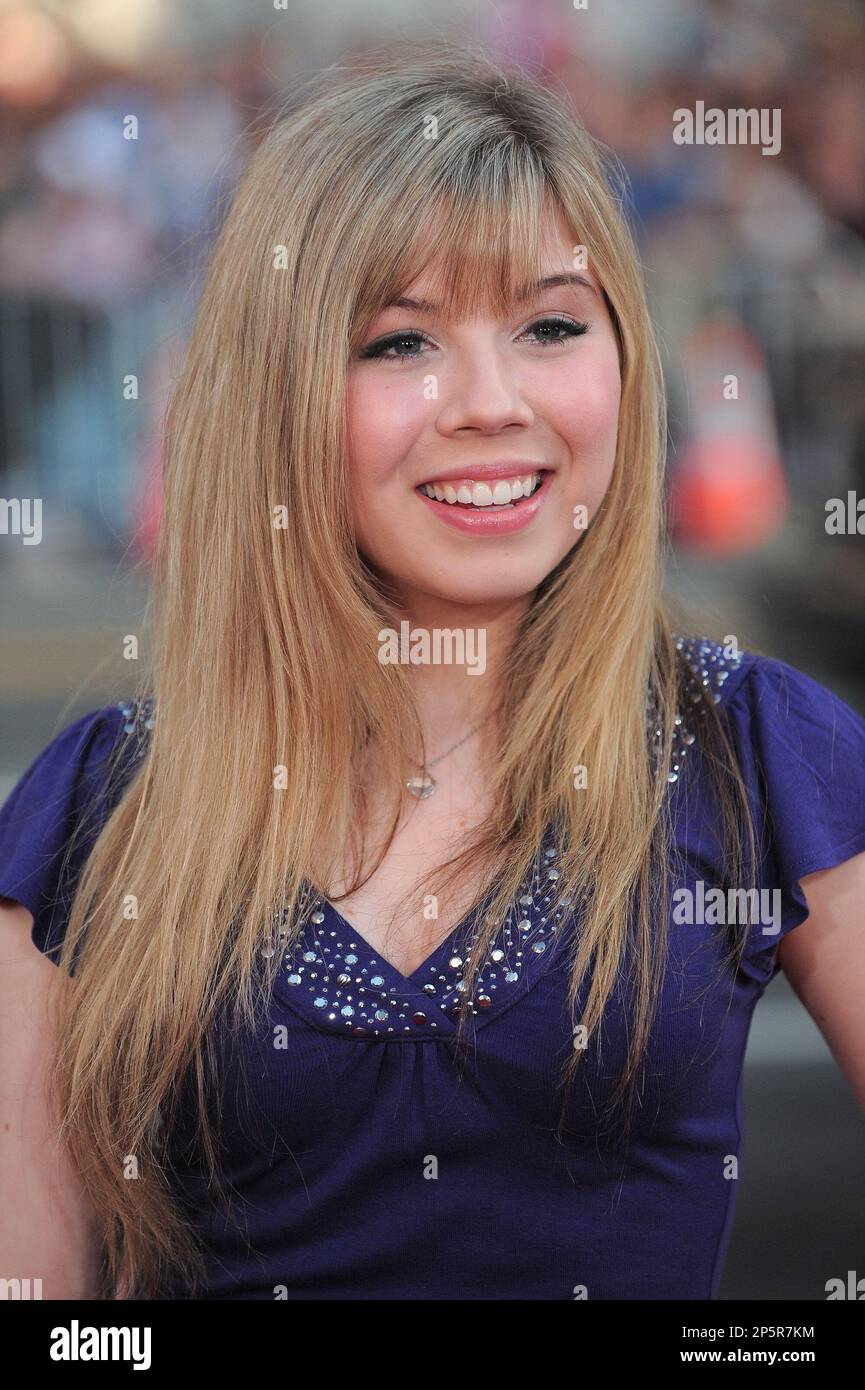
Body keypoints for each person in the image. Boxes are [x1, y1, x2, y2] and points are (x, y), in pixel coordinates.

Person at [1, 40, 864, 1303]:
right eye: (400, 344)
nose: (490, 402)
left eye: (551, 325)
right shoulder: (99, 807)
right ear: (279, 396)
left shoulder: (757, 750)